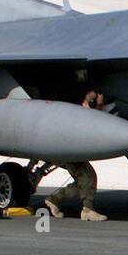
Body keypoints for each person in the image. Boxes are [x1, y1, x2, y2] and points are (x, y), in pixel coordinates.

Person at [42, 90, 109, 221]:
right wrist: (100, 105)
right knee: (89, 178)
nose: (95, 94)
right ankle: (87, 210)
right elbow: (92, 121)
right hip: (71, 151)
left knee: (83, 183)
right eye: (92, 92)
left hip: (72, 150)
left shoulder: (82, 109)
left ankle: (54, 200)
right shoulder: (77, 110)